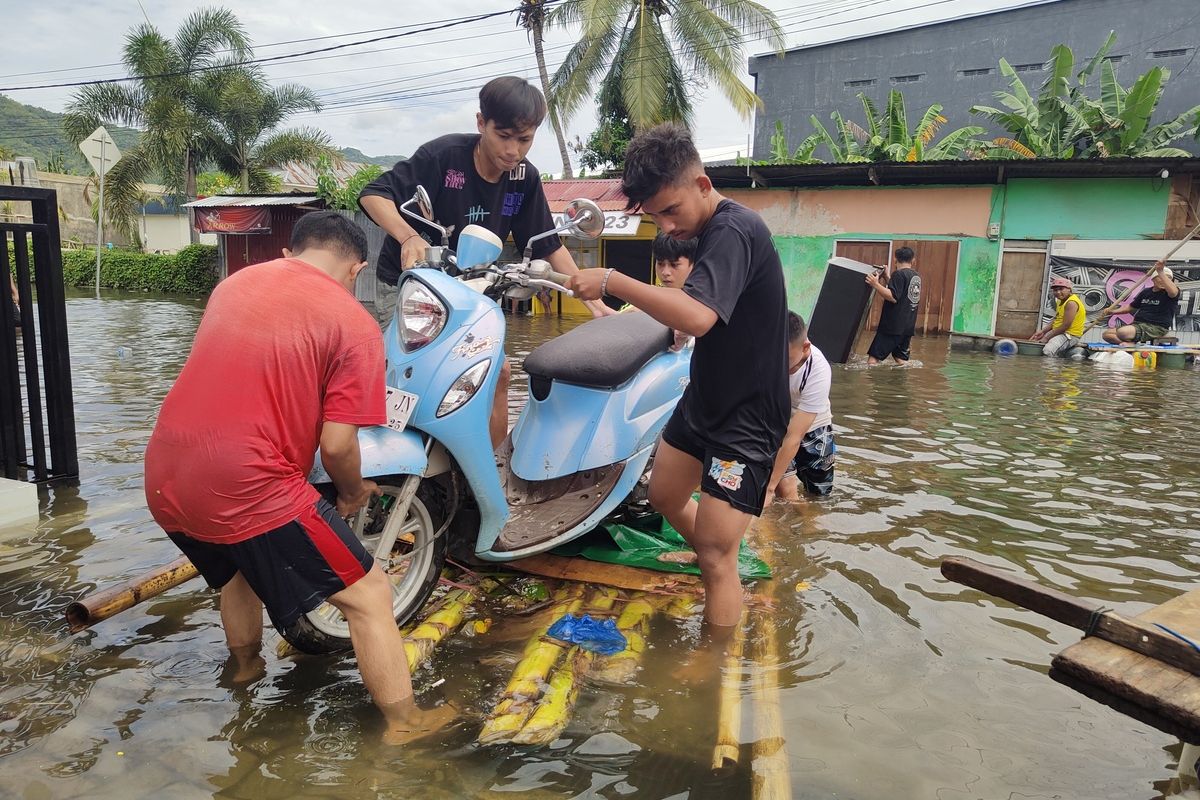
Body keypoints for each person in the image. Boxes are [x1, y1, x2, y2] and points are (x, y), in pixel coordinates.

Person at [144, 212, 448, 744]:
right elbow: (336, 444)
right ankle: (405, 723)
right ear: (355, 269)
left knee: (237, 577)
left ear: (291, 253)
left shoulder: (235, 284)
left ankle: (244, 674)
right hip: (247, 482)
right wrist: (354, 492)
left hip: (165, 474)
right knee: (371, 595)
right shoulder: (352, 322)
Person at [565, 123, 790, 634]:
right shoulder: (705, 231)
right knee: (664, 497)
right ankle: (714, 554)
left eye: (672, 210)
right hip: (704, 400)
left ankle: (713, 648)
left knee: (716, 554)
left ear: (703, 186)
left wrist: (611, 281)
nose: (667, 226)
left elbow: (698, 317)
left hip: (748, 419)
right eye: (656, 215)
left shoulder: (735, 229)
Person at [358, 76, 613, 451]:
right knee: (402, 377)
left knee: (498, 372)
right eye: (504, 135)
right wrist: (408, 235)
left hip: (470, 294)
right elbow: (374, 195)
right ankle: (387, 459)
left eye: (524, 140)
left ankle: (490, 469)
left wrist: (594, 301)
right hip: (409, 287)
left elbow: (544, 242)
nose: (513, 150)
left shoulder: (524, 178)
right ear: (481, 123)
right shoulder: (442, 158)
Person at [767, 312, 835, 502]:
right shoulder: (765, 354)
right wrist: (772, 485)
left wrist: (769, 489)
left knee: (818, 497)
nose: (779, 364)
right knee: (786, 491)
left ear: (805, 347)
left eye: (786, 358)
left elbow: (795, 436)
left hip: (813, 426)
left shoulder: (818, 370)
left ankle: (809, 529)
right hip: (779, 423)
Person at [865, 247, 921, 365]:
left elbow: (893, 297)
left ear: (895, 260)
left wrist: (875, 284)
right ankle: (901, 382)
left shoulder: (899, 274)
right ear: (913, 260)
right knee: (900, 359)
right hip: (907, 327)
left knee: (873, 360)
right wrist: (886, 277)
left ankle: (873, 383)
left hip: (892, 326)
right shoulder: (915, 276)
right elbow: (900, 291)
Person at [1101, 261, 1180, 344]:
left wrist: (1160, 272)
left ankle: (1131, 344)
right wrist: (1112, 311)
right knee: (1107, 334)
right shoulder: (1146, 292)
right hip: (1138, 324)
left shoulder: (1171, 293)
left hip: (1156, 327)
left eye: (1168, 279)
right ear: (1153, 279)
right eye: (1160, 278)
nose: (1164, 281)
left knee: (1122, 333)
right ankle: (1130, 344)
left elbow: (1173, 292)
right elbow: (1131, 307)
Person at [1030, 276, 1085, 356]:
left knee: (1048, 351)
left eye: (1061, 289)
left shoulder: (1071, 303)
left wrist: (1047, 337)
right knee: (1037, 344)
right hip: (1060, 333)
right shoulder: (1061, 301)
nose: (1058, 292)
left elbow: (1065, 326)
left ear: (1069, 289)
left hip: (1069, 335)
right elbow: (1056, 319)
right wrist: (1043, 331)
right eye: (1055, 290)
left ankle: (1050, 368)